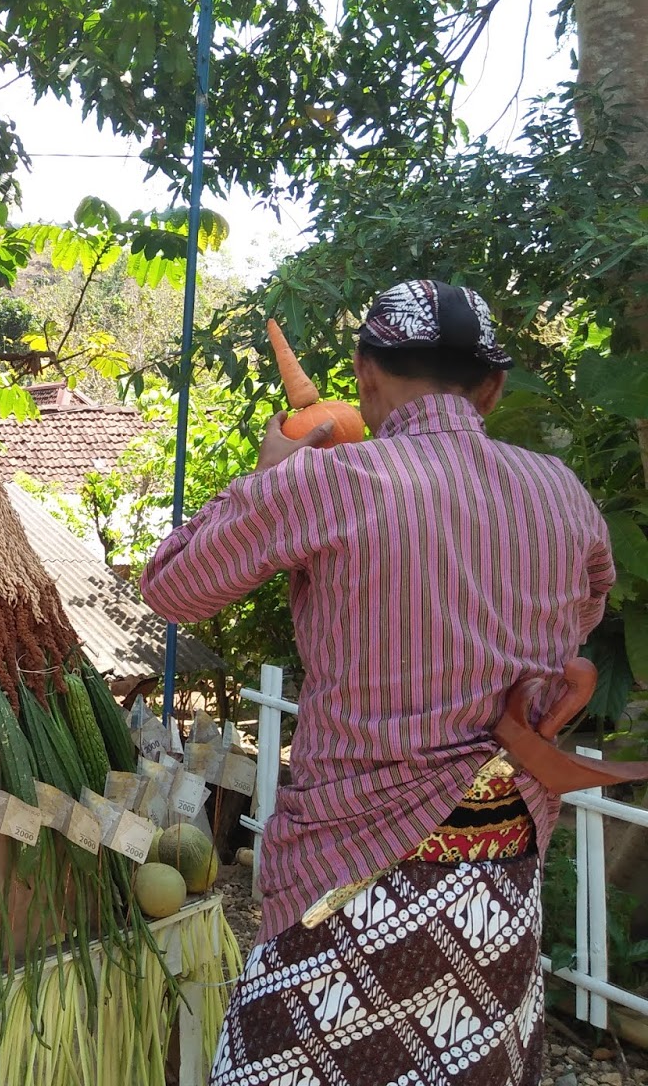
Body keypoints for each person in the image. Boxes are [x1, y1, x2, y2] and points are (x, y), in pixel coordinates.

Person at [142, 281, 615, 1086]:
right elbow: (588, 604)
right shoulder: (560, 492)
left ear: (363, 377)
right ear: (492, 387)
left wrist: (266, 476)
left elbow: (173, 586)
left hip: (346, 878)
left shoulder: (329, 483)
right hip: (496, 885)